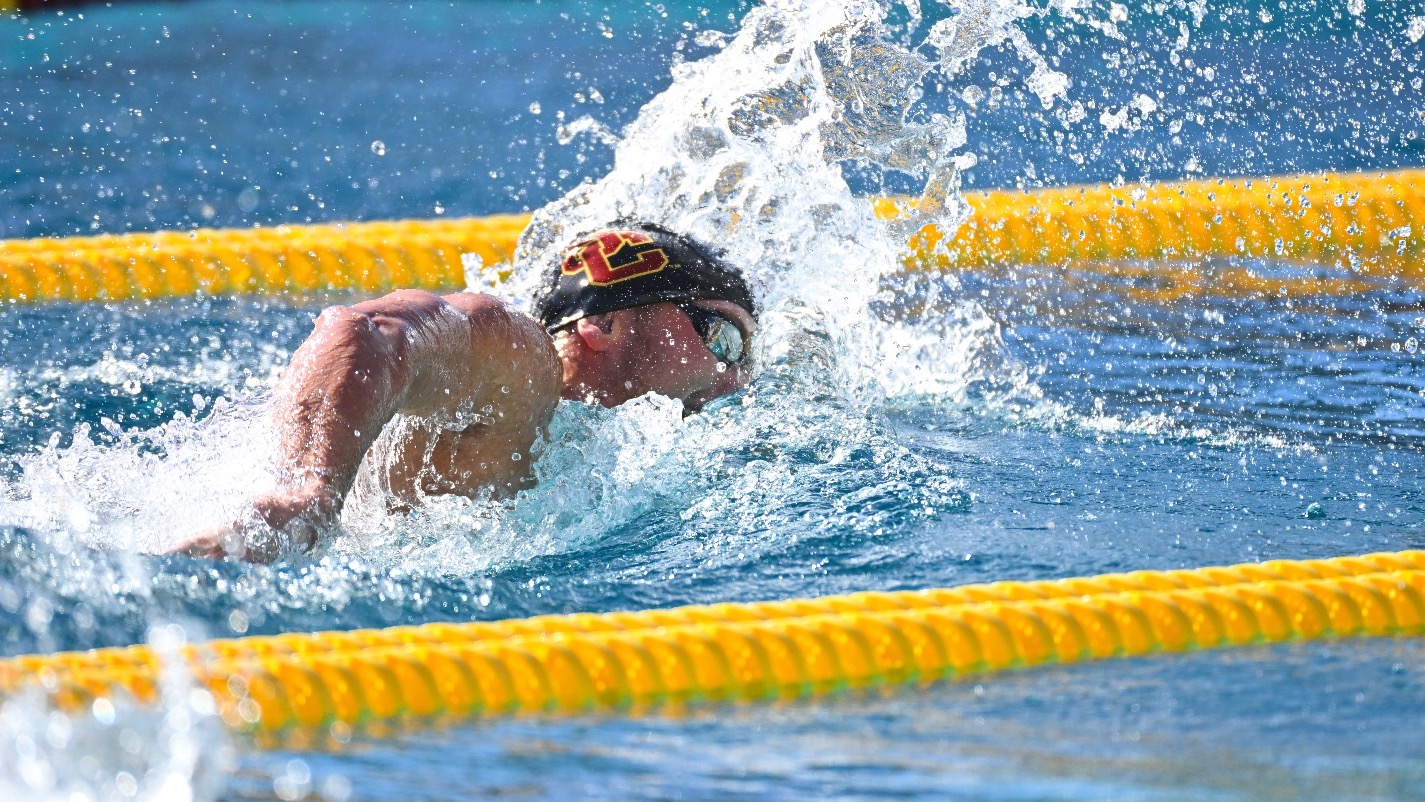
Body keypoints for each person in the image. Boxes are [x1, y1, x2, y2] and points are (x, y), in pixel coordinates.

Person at [167, 224, 757, 562]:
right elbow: (363, 331)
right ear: (603, 325)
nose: (736, 377)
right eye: (724, 337)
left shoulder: (578, 439)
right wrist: (307, 491)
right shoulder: (520, 365)